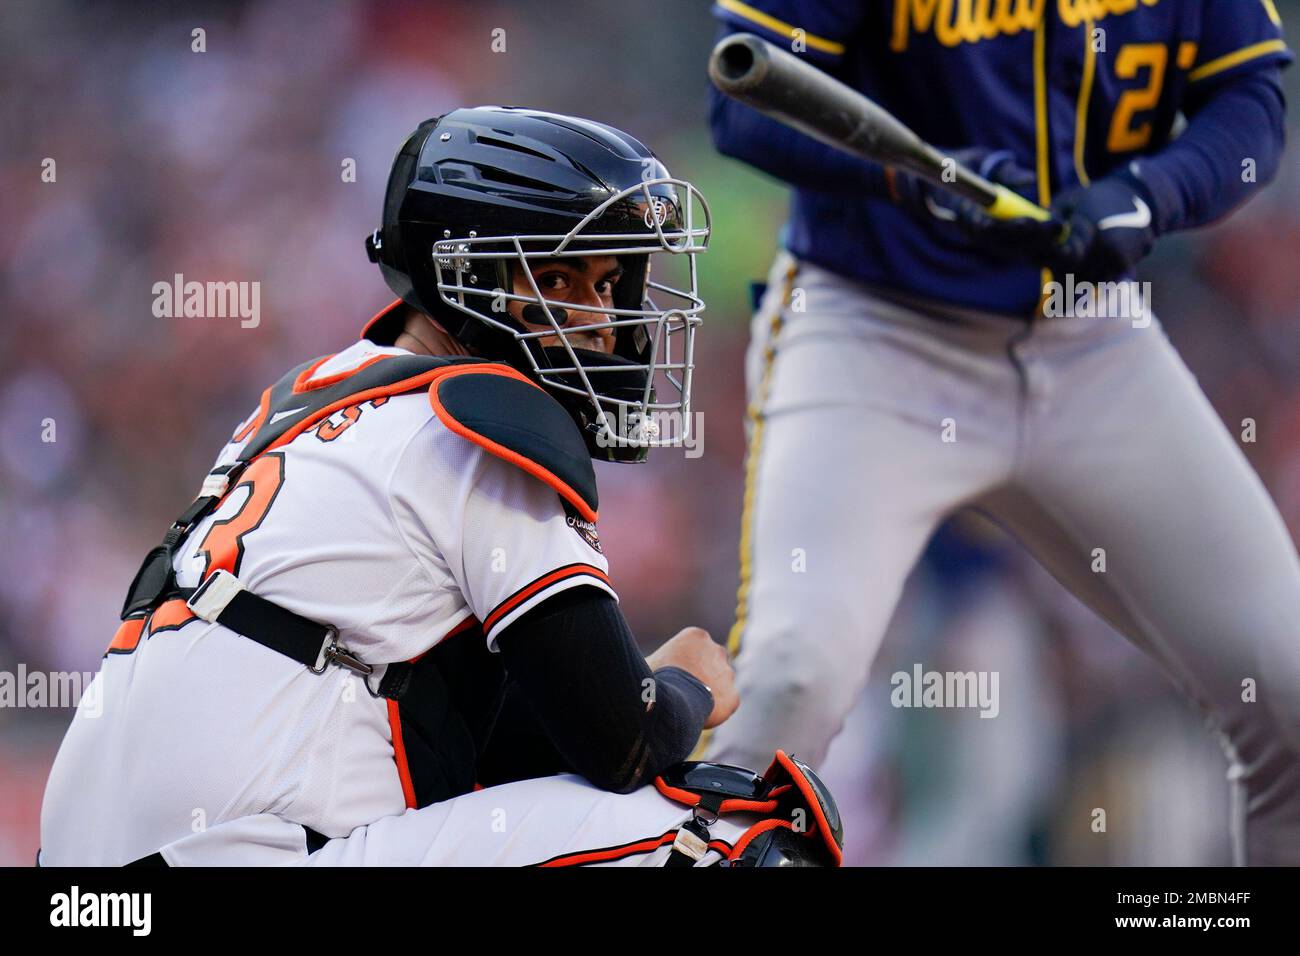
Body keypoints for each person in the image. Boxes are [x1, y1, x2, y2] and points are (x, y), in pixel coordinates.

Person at [39, 106, 842, 868]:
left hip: (95, 884)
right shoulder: (479, 420)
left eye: (607, 285)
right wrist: (683, 686)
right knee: (737, 829)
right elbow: (625, 745)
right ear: (466, 274)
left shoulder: (318, 394)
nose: (602, 320)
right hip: (238, 854)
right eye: (563, 279)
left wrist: (635, 697)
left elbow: (489, 740)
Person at [705, 0, 1299, 863]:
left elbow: (1249, 100)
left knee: (1286, 685)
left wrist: (1149, 194)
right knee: (793, 679)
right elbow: (742, 96)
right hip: (873, 325)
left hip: (1093, 336)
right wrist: (923, 178)